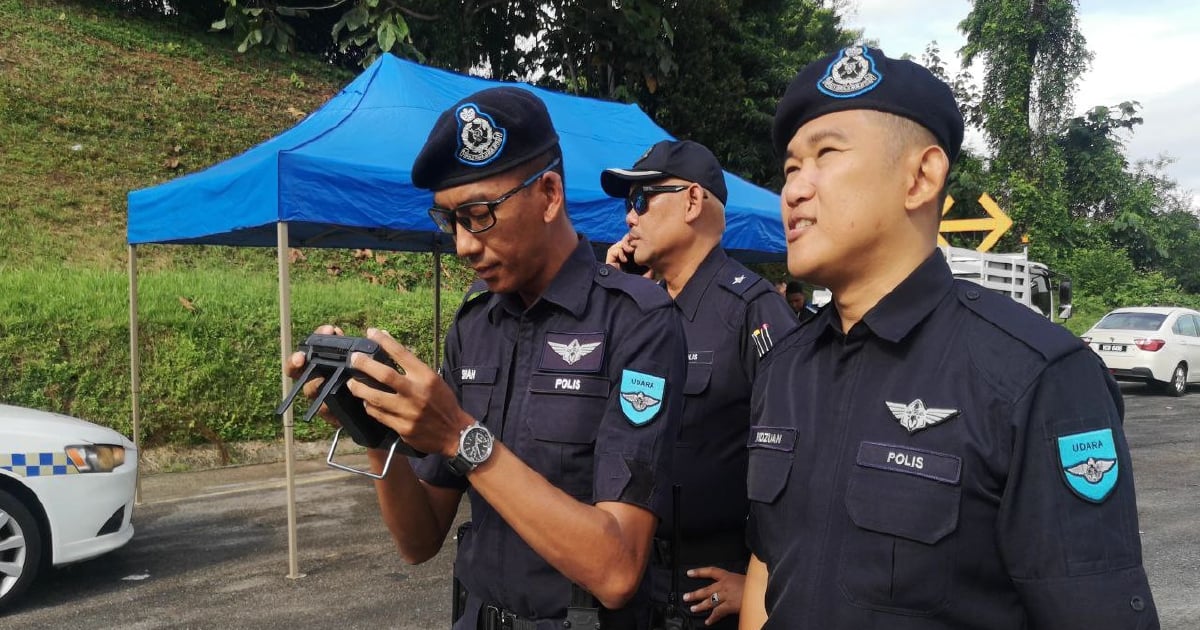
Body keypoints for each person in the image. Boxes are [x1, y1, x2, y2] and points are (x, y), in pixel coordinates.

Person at [739, 45, 1159, 629]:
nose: (793, 190)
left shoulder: (1035, 376)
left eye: (825, 155)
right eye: (789, 168)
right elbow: (768, 565)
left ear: (921, 177)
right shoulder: (785, 367)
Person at [289, 87, 687, 630]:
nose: (463, 246)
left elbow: (616, 570)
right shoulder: (476, 324)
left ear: (549, 194)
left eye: (479, 215)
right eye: (449, 220)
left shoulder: (637, 321)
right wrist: (374, 428)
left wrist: (460, 437)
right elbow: (419, 539)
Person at [601, 140, 799, 630]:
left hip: (708, 592)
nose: (629, 217)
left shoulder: (753, 311)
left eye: (641, 200)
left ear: (692, 201)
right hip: (634, 582)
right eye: (627, 204)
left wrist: (760, 584)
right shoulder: (635, 309)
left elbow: (801, 464)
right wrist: (609, 292)